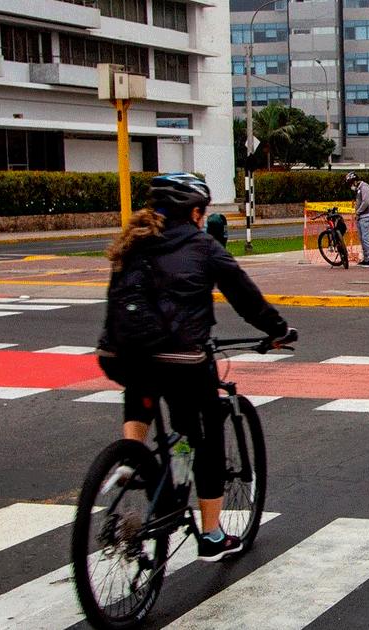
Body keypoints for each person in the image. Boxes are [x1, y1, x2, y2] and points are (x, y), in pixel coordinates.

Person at [98, 173, 295, 562]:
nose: (204, 218)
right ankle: (211, 534)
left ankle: (132, 457)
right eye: (202, 211)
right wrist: (276, 329)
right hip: (182, 359)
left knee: (141, 379)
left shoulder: (130, 243)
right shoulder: (202, 246)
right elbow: (243, 294)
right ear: (193, 212)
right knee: (205, 440)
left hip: (117, 355)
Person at [345, 171, 369, 267]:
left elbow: (365, 202)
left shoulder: (364, 187)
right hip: (360, 217)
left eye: (350, 183)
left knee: (366, 238)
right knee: (362, 239)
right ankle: (366, 258)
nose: (350, 186)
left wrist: (358, 212)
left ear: (355, 181)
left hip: (366, 217)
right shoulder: (358, 189)